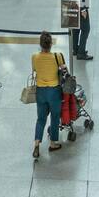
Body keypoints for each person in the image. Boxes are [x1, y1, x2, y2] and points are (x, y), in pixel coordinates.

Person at [32, 31, 65, 159]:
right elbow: (64, 70)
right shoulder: (58, 56)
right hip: (54, 91)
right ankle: (53, 143)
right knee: (55, 117)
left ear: (40, 44)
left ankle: (36, 144)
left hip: (40, 91)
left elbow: (35, 70)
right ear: (51, 43)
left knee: (40, 119)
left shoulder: (35, 57)